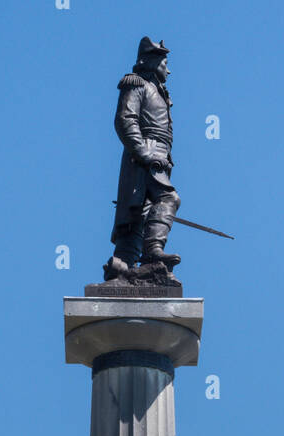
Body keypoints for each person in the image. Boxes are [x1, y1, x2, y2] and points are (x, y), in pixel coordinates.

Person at [105, 36, 181, 280]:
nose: (168, 69)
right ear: (152, 62)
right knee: (169, 198)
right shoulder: (137, 84)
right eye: (164, 62)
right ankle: (154, 252)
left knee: (139, 215)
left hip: (158, 158)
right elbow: (125, 120)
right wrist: (144, 152)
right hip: (145, 156)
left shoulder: (160, 92)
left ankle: (123, 267)